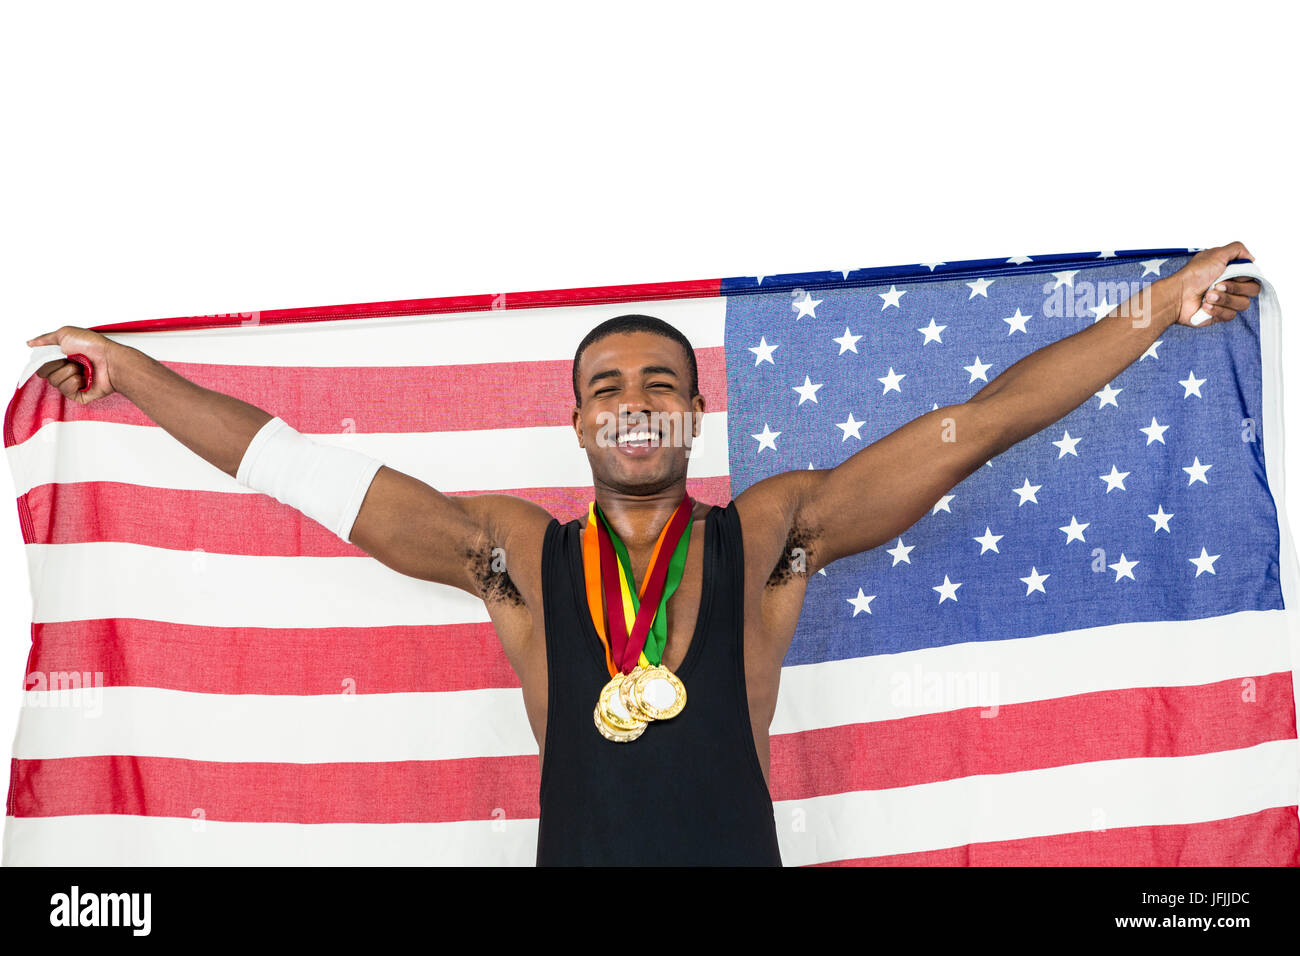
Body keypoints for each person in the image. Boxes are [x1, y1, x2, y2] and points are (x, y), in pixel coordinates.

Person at [23, 242, 1262, 866]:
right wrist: (131, 373)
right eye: (606, 385)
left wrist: (1157, 303)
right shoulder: (509, 551)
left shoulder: (773, 533)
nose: (632, 401)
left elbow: (981, 425)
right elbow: (300, 468)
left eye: (658, 383)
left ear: (689, 417)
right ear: (577, 421)